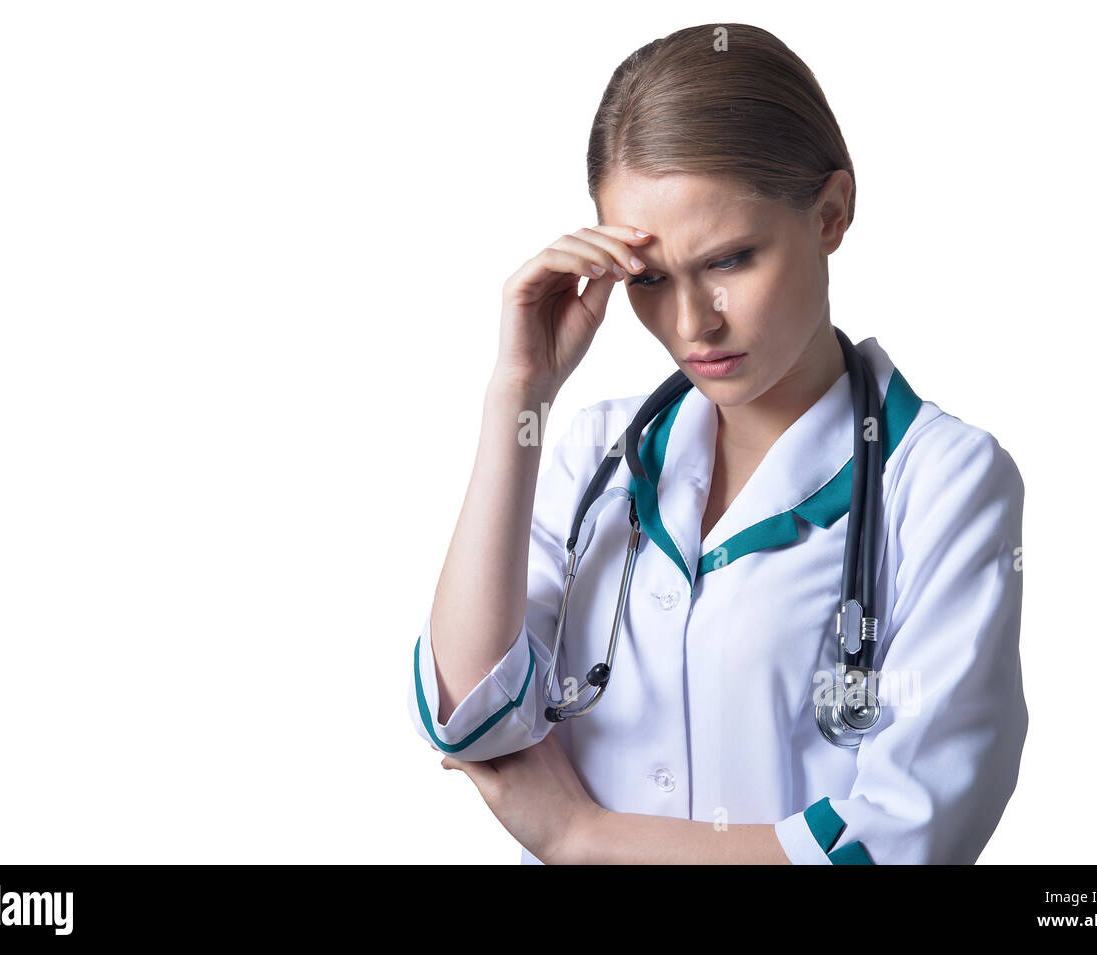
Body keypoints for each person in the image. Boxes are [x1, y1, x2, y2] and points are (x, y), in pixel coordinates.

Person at [406, 22, 1027, 864]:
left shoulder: (945, 481)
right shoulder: (598, 451)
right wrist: (519, 394)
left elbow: (896, 840)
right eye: (651, 279)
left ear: (832, 214)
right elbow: (471, 713)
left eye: (730, 259)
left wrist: (580, 836)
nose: (692, 323)